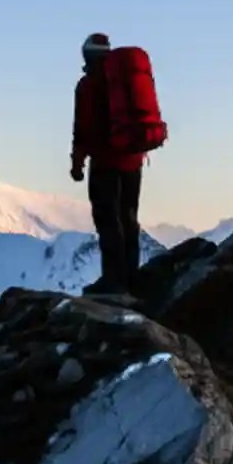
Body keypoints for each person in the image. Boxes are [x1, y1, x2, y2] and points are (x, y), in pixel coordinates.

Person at [71, 33, 145, 294]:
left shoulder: (88, 85)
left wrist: (77, 163)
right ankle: (132, 277)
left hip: (105, 162)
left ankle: (113, 280)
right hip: (134, 161)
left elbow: (82, 128)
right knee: (129, 218)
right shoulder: (125, 82)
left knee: (108, 220)